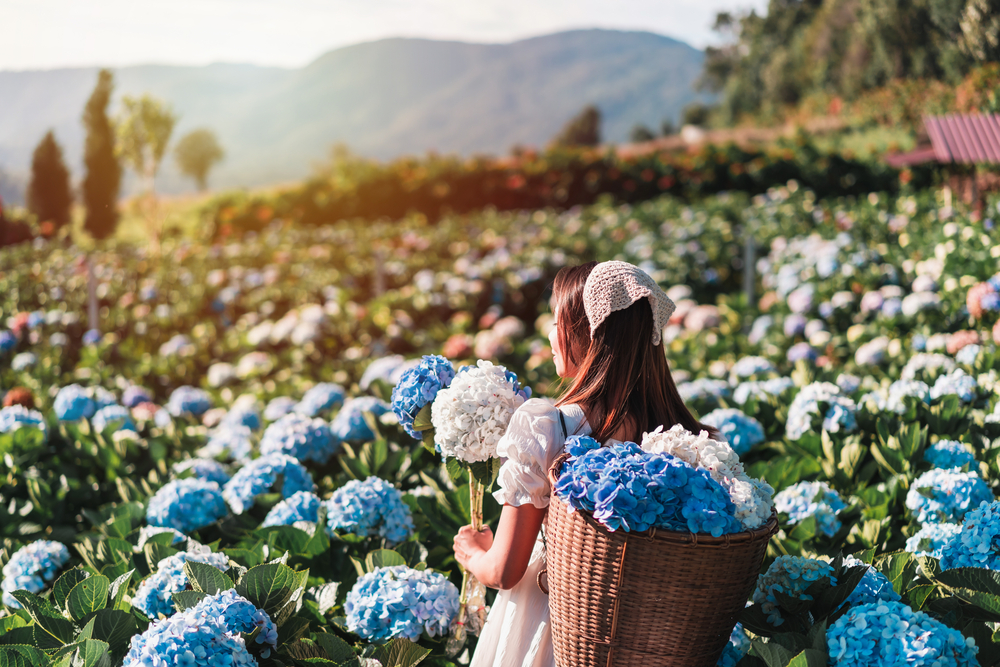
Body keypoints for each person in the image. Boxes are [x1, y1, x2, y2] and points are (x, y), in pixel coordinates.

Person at [453, 260, 719, 667]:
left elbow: (505, 570)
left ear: (587, 337)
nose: (549, 335)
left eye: (557, 321)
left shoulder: (546, 424)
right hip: (644, 639)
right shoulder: (677, 436)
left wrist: (472, 553)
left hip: (556, 626)